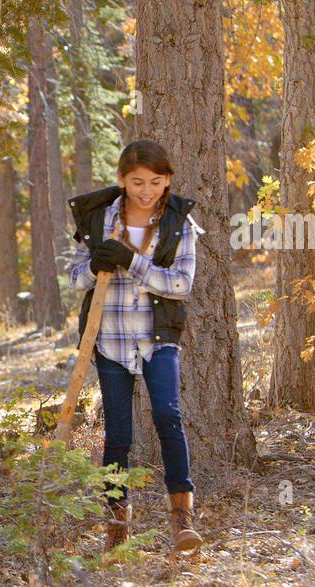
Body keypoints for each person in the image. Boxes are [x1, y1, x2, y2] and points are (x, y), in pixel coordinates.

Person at [67, 139, 203, 553]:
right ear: (122, 180)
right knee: (118, 434)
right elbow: (74, 278)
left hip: (156, 337)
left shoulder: (180, 224)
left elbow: (181, 285)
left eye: (156, 182)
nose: (146, 190)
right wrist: (94, 265)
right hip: (110, 339)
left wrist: (132, 261)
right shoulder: (96, 219)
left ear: (168, 181)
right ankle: (116, 525)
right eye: (137, 181)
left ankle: (182, 517)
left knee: (167, 415)